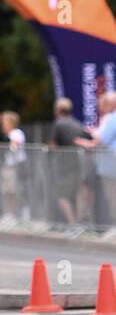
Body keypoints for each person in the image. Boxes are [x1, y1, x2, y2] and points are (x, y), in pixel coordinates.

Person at [50, 97, 95, 227]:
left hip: (64, 165)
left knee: (62, 195)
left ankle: (73, 223)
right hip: (79, 164)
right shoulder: (77, 123)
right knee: (79, 192)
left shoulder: (58, 124)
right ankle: (80, 221)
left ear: (58, 110)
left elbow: (53, 144)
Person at [95, 92, 116, 228]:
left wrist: (89, 140)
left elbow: (101, 140)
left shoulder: (111, 118)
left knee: (112, 196)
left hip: (110, 164)